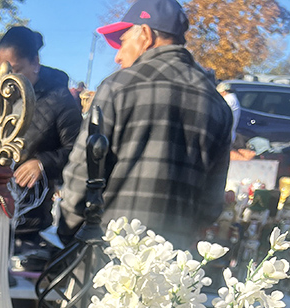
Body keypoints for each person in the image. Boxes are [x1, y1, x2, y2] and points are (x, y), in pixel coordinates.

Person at [59, 0, 232, 251]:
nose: (118, 55)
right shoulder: (217, 104)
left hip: (110, 261)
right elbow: (211, 204)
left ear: (145, 34)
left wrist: (67, 235)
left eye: (122, 42)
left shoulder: (118, 87)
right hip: (176, 266)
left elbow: (81, 176)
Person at [0, 26, 82, 244]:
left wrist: (42, 163)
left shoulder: (60, 99)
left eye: (16, 70)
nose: (8, 79)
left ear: (35, 62)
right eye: (3, 70)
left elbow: (78, 151)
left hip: (32, 220)